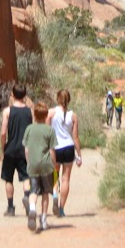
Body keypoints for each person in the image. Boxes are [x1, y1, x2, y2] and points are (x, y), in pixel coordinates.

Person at [0, 83, 33, 216]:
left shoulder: (8, 111)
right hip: (25, 149)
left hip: (11, 149)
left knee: (8, 179)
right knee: (26, 177)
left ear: (12, 95)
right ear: (25, 96)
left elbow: (3, 133)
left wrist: (3, 148)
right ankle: (26, 198)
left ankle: (10, 207)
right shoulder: (30, 112)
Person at [23, 102, 56, 232]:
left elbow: (26, 150)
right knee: (46, 193)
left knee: (34, 191)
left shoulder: (29, 129)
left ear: (34, 115)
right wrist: (53, 164)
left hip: (33, 165)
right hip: (46, 165)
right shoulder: (50, 130)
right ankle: (43, 220)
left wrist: (29, 162)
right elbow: (52, 150)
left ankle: (32, 209)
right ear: (46, 115)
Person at [50, 88, 82, 217]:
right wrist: (79, 155)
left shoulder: (51, 113)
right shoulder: (73, 116)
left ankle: (55, 194)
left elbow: (47, 131)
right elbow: (75, 137)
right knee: (66, 179)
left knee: (55, 175)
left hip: (55, 147)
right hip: (68, 147)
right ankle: (61, 209)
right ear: (69, 100)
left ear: (57, 99)